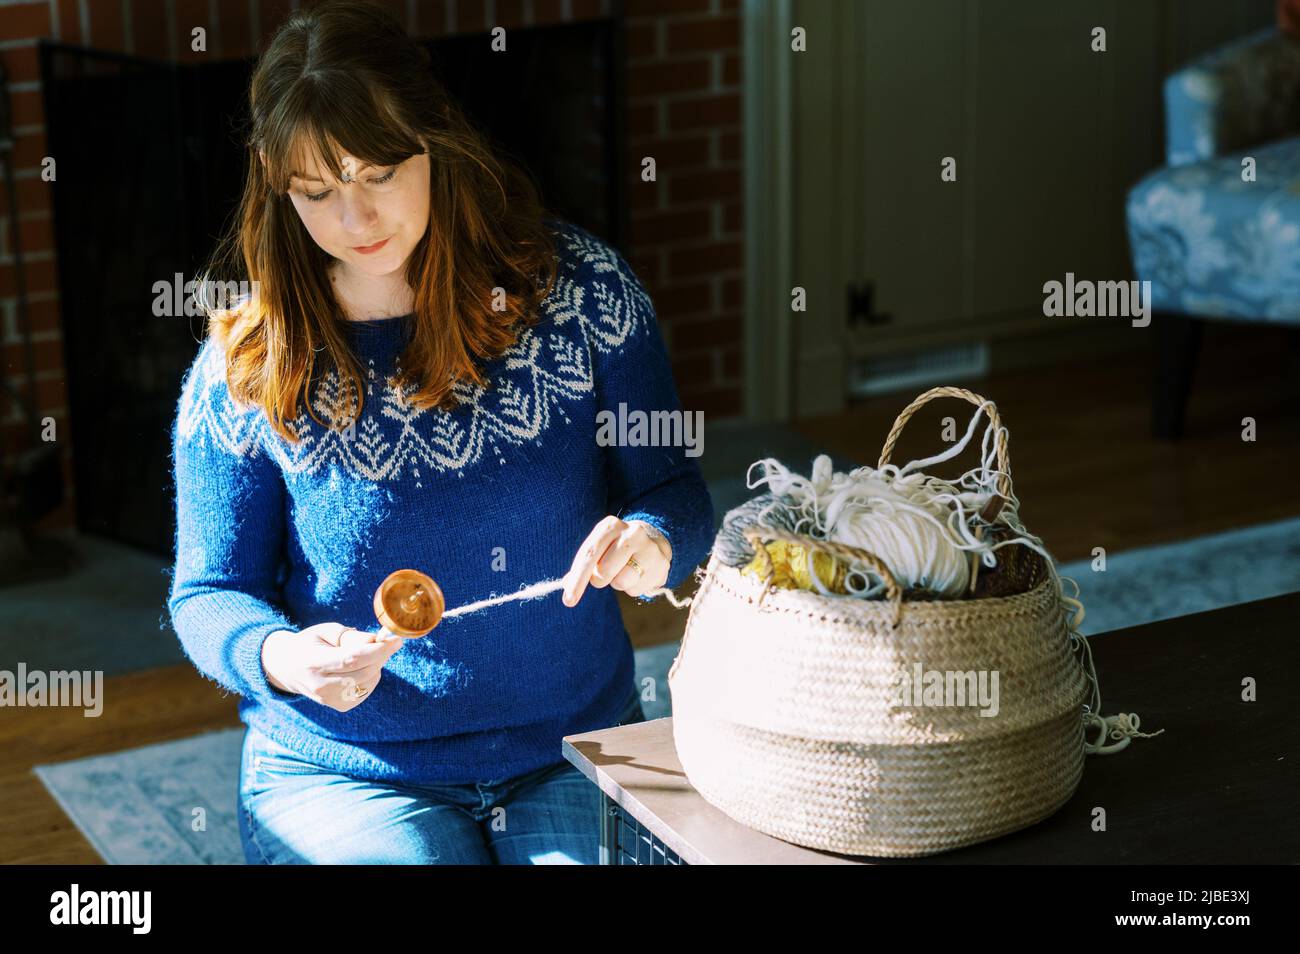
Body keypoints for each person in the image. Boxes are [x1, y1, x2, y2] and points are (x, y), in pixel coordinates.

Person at [167, 0, 714, 865]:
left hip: (571, 746)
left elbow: (674, 497)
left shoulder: (585, 299)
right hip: (346, 770)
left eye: (378, 173)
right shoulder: (249, 362)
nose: (355, 219)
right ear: (277, 186)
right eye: (316, 192)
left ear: (434, 141)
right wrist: (277, 655)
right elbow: (207, 593)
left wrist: (650, 547)